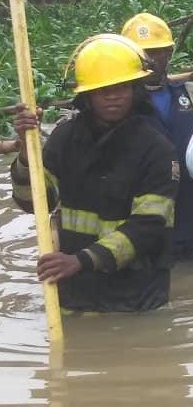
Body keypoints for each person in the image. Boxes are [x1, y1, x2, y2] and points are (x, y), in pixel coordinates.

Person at [10, 34, 178, 312]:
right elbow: (34, 201)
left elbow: (148, 227)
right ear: (86, 95)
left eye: (121, 88)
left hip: (135, 298)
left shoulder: (157, 149)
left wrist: (80, 260)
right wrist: (27, 152)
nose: (113, 97)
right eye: (103, 91)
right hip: (75, 294)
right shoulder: (65, 138)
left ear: (135, 90)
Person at [121, 12, 193, 262]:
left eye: (157, 52)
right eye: (141, 54)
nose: (149, 60)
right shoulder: (116, 104)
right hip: (143, 227)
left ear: (170, 52)